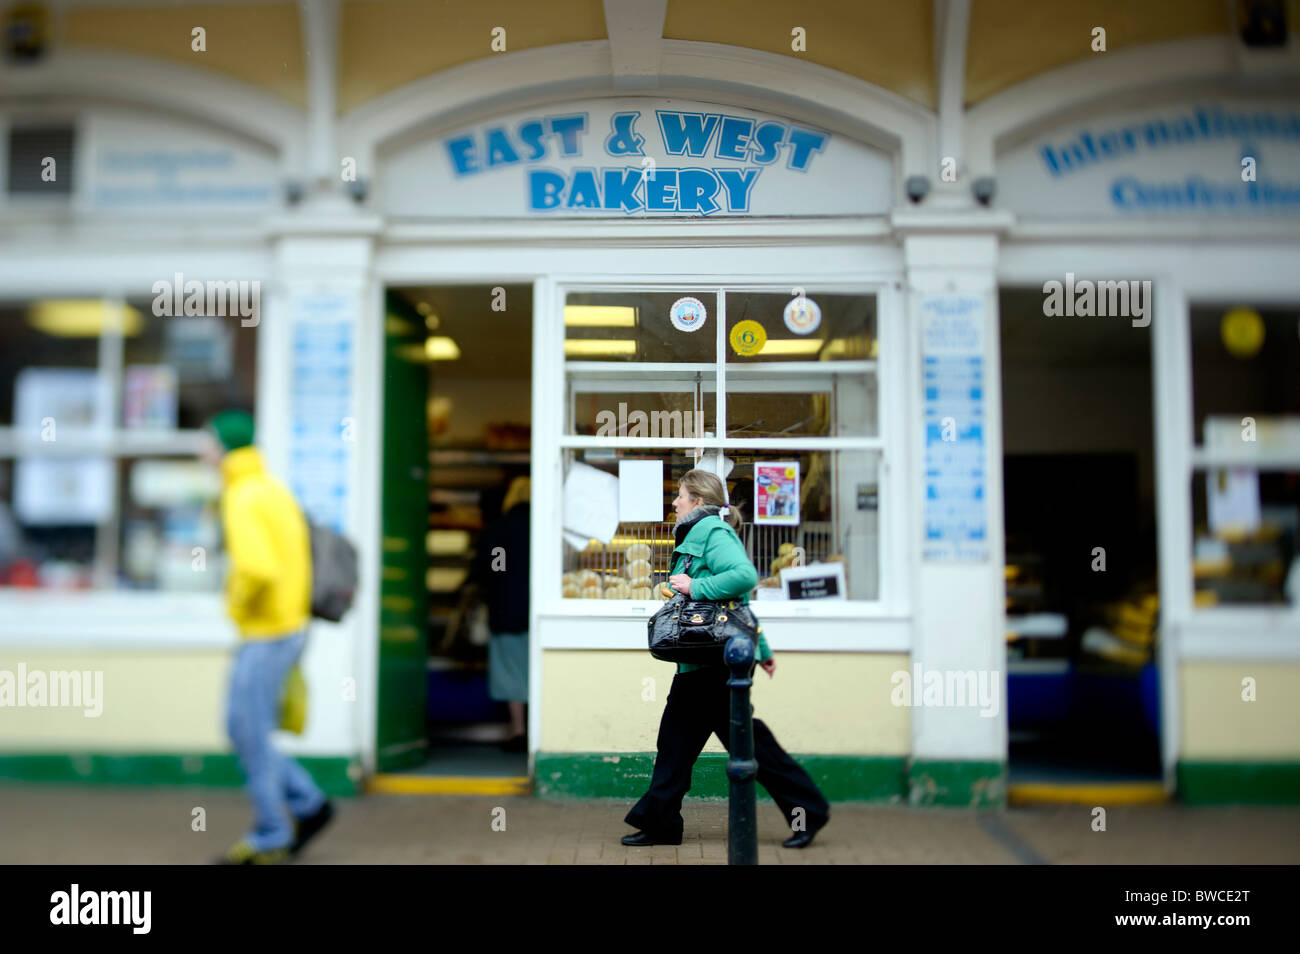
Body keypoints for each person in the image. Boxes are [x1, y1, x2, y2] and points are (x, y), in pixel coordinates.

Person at [623, 468, 830, 849]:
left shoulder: (713, 532)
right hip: (704, 659)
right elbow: (740, 607)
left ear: (697, 502)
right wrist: (762, 651)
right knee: (680, 743)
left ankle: (808, 810)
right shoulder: (695, 533)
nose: (674, 502)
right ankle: (661, 822)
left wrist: (693, 585)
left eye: (680, 496)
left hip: (715, 662)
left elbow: (744, 578)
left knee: (733, 743)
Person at [201, 410, 334, 864]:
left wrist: (233, 603)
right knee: (245, 729)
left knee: (248, 733)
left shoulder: (240, 496)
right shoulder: (272, 490)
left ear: (223, 447)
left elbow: (257, 568)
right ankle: (307, 804)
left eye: (208, 441)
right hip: (287, 627)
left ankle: (272, 833)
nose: (203, 450)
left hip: (266, 632)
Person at [470, 475, 531, 752]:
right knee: (536, 670)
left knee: (512, 672)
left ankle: (518, 730)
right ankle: (539, 730)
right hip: (536, 609)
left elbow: (493, 569)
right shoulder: (544, 523)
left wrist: (502, 583)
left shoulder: (500, 528)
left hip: (507, 608)